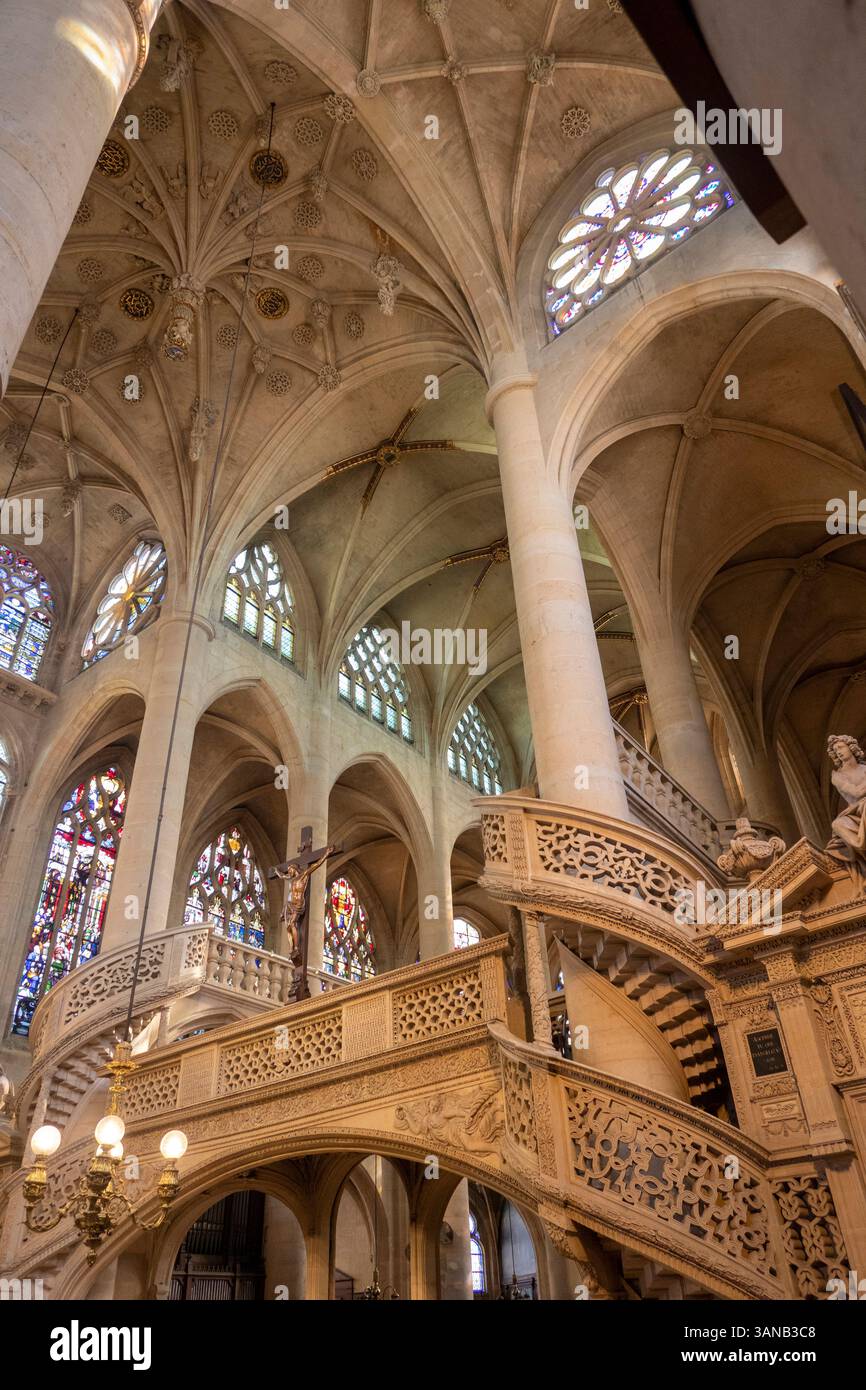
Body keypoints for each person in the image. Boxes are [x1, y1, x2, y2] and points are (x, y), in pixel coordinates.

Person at [826, 735, 866, 889]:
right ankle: (861, 848)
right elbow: (856, 793)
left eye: (841, 748)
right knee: (838, 824)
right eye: (835, 751)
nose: (839, 752)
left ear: (851, 747)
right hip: (855, 811)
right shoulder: (837, 776)